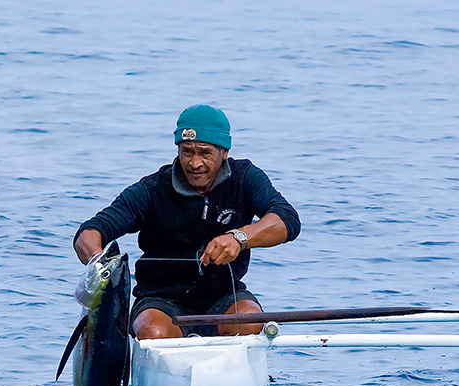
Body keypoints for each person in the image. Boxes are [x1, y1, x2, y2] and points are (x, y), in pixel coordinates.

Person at [73, 104, 300, 339]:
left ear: (224, 153)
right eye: (187, 152)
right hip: (159, 302)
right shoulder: (150, 190)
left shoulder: (245, 177)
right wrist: (97, 264)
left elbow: (287, 219)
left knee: (251, 323)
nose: (195, 163)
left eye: (205, 152)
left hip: (225, 298)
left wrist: (239, 238)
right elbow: (90, 232)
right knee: (154, 331)